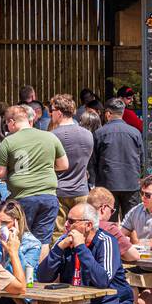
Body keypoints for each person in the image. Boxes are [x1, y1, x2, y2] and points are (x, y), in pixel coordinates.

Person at [0, 104, 68, 245]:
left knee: (21, 238)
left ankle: (22, 267)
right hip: (49, 196)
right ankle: (41, 268)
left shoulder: (8, 141)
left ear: (12, 122)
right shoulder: (50, 137)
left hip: (22, 198)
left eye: (7, 123)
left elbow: (1, 172)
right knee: (43, 242)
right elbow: (64, 165)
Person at [48, 93, 95, 232]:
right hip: (81, 190)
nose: (51, 114)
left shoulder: (52, 136)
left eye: (52, 111)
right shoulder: (88, 134)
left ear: (59, 112)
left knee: (58, 234)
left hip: (59, 191)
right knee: (83, 232)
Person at [92, 98, 144, 221]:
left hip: (107, 184)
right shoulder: (135, 133)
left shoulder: (100, 133)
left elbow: (93, 161)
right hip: (130, 183)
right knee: (132, 222)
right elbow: (141, 158)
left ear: (108, 114)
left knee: (109, 222)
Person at [0, 198, 46, 279]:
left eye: (5, 222)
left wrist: (14, 250)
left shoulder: (32, 244)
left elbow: (26, 276)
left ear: (17, 222)